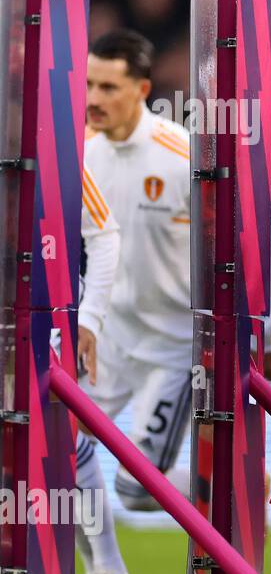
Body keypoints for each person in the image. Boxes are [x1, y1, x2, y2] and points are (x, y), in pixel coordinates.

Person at [82, 29, 194, 523]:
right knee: (55, 456)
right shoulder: (82, 154)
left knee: (135, 491)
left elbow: (249, 239)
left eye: (107, 88)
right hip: (107, 339)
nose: (93, 99)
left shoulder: (184, 155)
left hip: (170, 346)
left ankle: (233, 485)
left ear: (142, 90)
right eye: (88, 85)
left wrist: (267, 328)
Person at [72, 165, 139, 574]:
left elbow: (103, 232)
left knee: (65, 440)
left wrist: (88, 318)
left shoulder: (50, 147)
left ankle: (109, 569)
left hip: (33, 314)